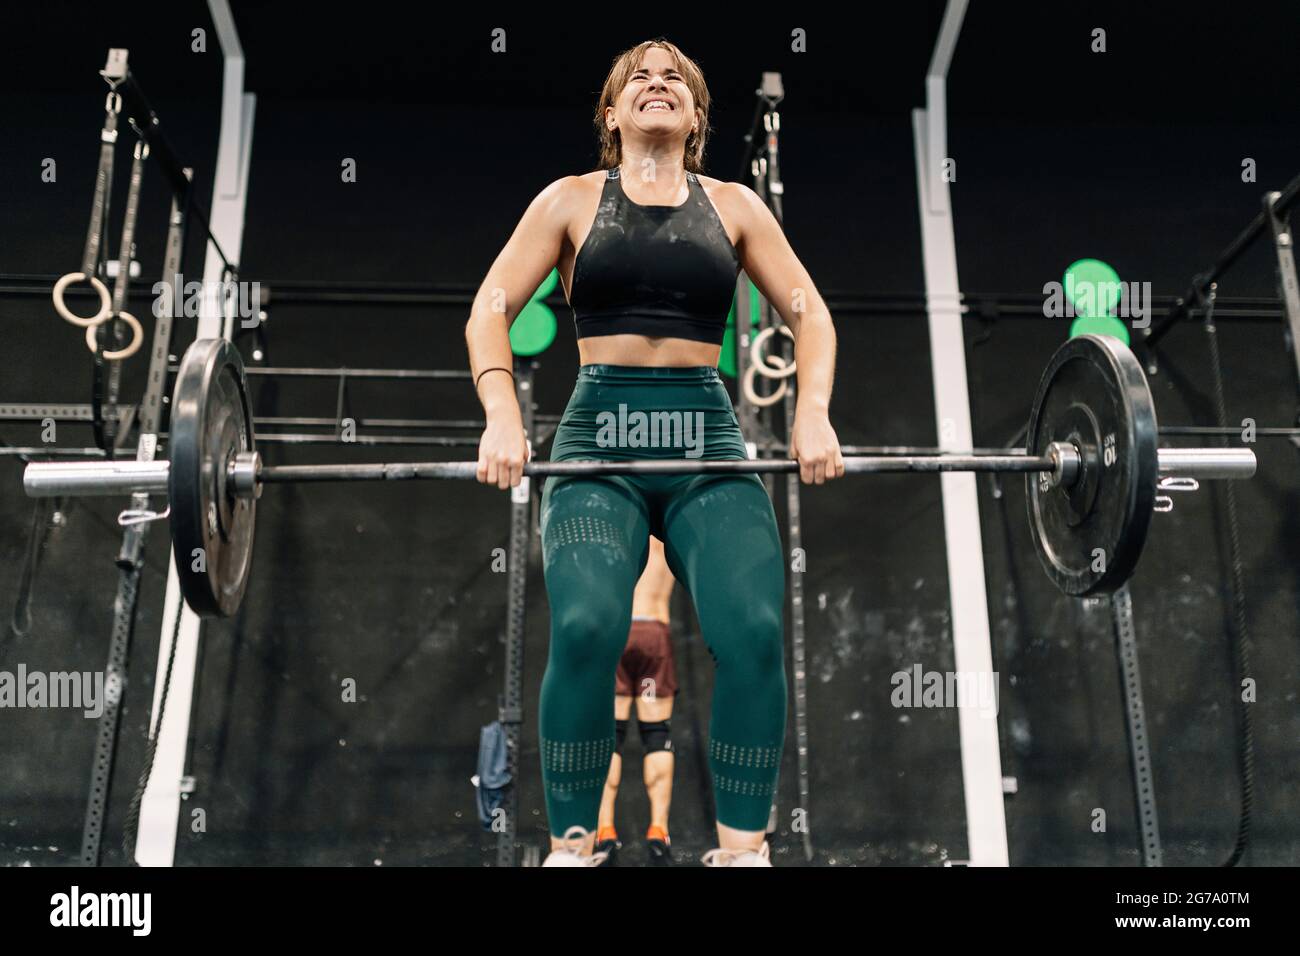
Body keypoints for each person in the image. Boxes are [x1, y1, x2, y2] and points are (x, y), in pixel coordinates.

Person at [465, 37, 842, 867]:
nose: (659, 84)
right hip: (600, 435)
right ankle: (571, 846)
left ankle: (744, 851)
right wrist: (501, 413)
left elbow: (811, 313)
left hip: (705, 433)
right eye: (640, 77)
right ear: (612, 112)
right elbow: (488, 311)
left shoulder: (737, 205)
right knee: (591, 624)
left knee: (752, 630)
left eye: (677, 78)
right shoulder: (568, 200)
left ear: (697, 116)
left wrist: (812, 411)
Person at [594, 536, 679, 866]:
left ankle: (605, 832)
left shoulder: (616, 527)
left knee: (611, 736)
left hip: (618, 631)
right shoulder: (667, 529)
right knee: (656, 733)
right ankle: (658, 830)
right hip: (653, 634)